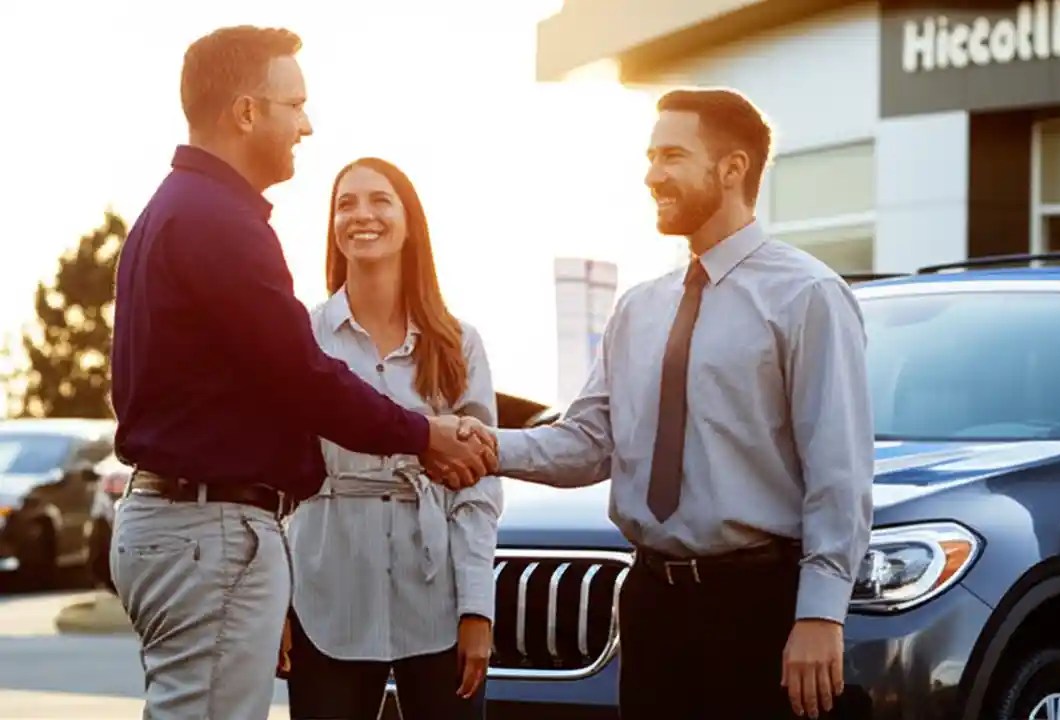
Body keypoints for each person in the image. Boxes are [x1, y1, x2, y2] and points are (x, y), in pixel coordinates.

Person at [108, 26, 494, 720]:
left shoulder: (171, 211)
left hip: (176, 526)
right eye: (295, 105)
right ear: (247, 111)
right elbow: (303, 377)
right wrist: (422, 434)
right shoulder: (219, 222)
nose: (306, 125)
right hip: (208, 533)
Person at [461, 87, 875, 719]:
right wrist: (482, 446)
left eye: (672, 156)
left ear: (732, 168)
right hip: (651, 604)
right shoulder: (639, 307)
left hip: (759, 605)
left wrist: (821, 613)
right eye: (651, 157)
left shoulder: (808, 295)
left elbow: (838, 470)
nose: (652, 175)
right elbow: (589, 442)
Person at [282, 157, 501, 720]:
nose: (362, 214)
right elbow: (275, 477)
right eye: (345, 203)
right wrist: (277, 600)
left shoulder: (459, 343)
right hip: (324, 597)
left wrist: (477, 607)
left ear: (410, 223)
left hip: (436, 601)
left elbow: (478, 488)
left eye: (379, 200)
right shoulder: (302, 336)